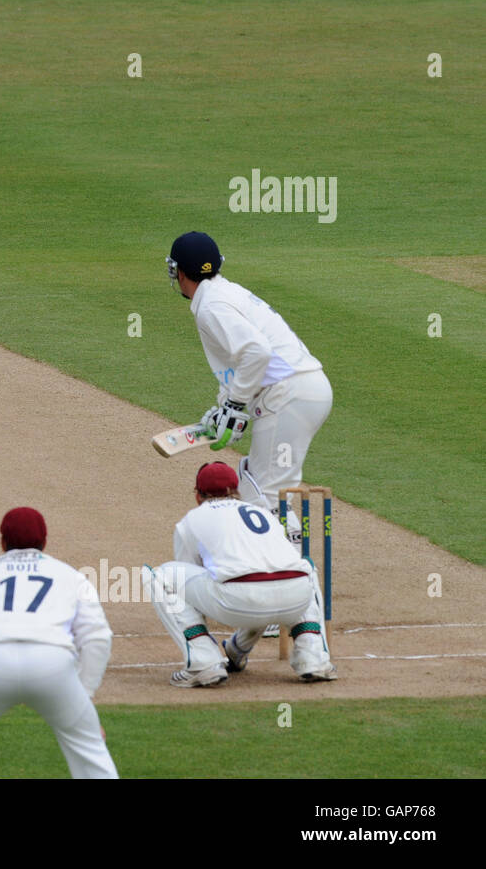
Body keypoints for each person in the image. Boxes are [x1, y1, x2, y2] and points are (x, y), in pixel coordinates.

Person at [0, 508, 118, 779]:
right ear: (45, 542)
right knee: (91, 753)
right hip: (52, 667)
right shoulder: (71, 577)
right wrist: (83, 700)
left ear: (2, 542)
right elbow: (97, 638)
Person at [166, 231, 333, 536]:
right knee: (253, 482)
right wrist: (225, 405)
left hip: (289, 395)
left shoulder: (211, 306)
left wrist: (234, 404)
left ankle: (293, 572)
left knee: (265, 497)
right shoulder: (225, 293)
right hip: (305, 390)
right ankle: (293, 567)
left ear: (180, 272)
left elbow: (257, 352)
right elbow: (239, 363)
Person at [144, 461, 338, 686]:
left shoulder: (191, 520)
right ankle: (312, 657)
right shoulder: (263, 513)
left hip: (238, 602)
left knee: (163, 576)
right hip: (295, 598)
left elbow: (189, 587)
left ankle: (203, 661)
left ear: (198, 495)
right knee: (304, 568)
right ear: (237, 492)